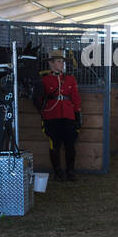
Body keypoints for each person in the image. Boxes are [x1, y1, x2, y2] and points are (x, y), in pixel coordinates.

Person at [37, 49, 81, 181]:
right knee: (54, 145)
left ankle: (70, 171)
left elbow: (75, 98)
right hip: (52, 116)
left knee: (70, 145)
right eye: (59, 61)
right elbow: (39, 99)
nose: (62, 64)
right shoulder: (44, 80)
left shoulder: (70, 79)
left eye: (62, 61)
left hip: (68, 115)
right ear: (51, 63)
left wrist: (77, 114)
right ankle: (57, 172)